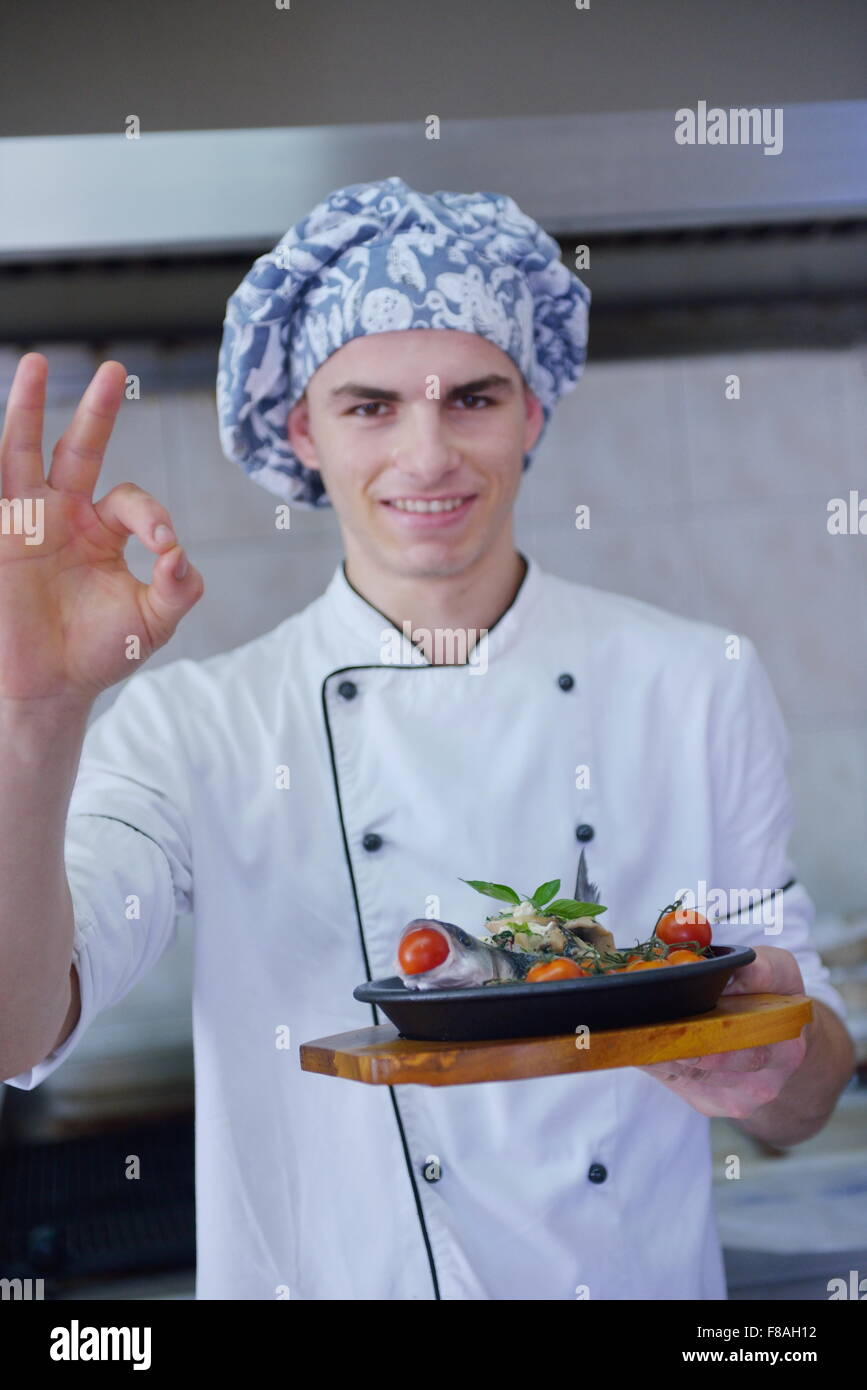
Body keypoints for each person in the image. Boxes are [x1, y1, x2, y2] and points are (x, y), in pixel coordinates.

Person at [0, 176, 854, 1301]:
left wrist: (775, 1057)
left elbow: (807, 1091)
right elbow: (19, 1028)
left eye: (473, 398)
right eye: (370, 405)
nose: (428, 454)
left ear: (533, 408)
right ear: (302, 428)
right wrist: (37, 712)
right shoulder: (198, 725)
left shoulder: (697, 683)